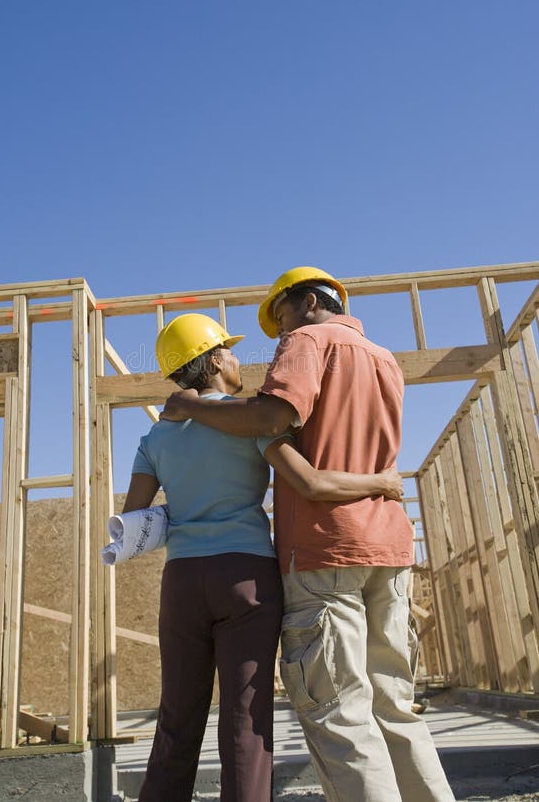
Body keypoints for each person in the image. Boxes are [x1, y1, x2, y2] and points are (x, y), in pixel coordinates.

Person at [161, 268, 455, 802]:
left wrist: (193, 406)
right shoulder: (384, 358)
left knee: (339, 709)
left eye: (281, 318)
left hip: (325, 550)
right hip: (387, 546)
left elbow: (273, 417)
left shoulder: (306, 340)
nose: (278, 335)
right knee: (394, 703)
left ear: (310, 303)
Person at [124, 312, 404, 802]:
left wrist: (191, 507)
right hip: (247, 579)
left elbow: (133, 521)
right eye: (228, 351)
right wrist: (382, 482)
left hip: (183, 581)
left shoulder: (155, 439)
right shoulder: (249, 420)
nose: (236, 359)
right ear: (213, 361)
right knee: (245, 720)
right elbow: (313, 483)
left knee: (177, 716)